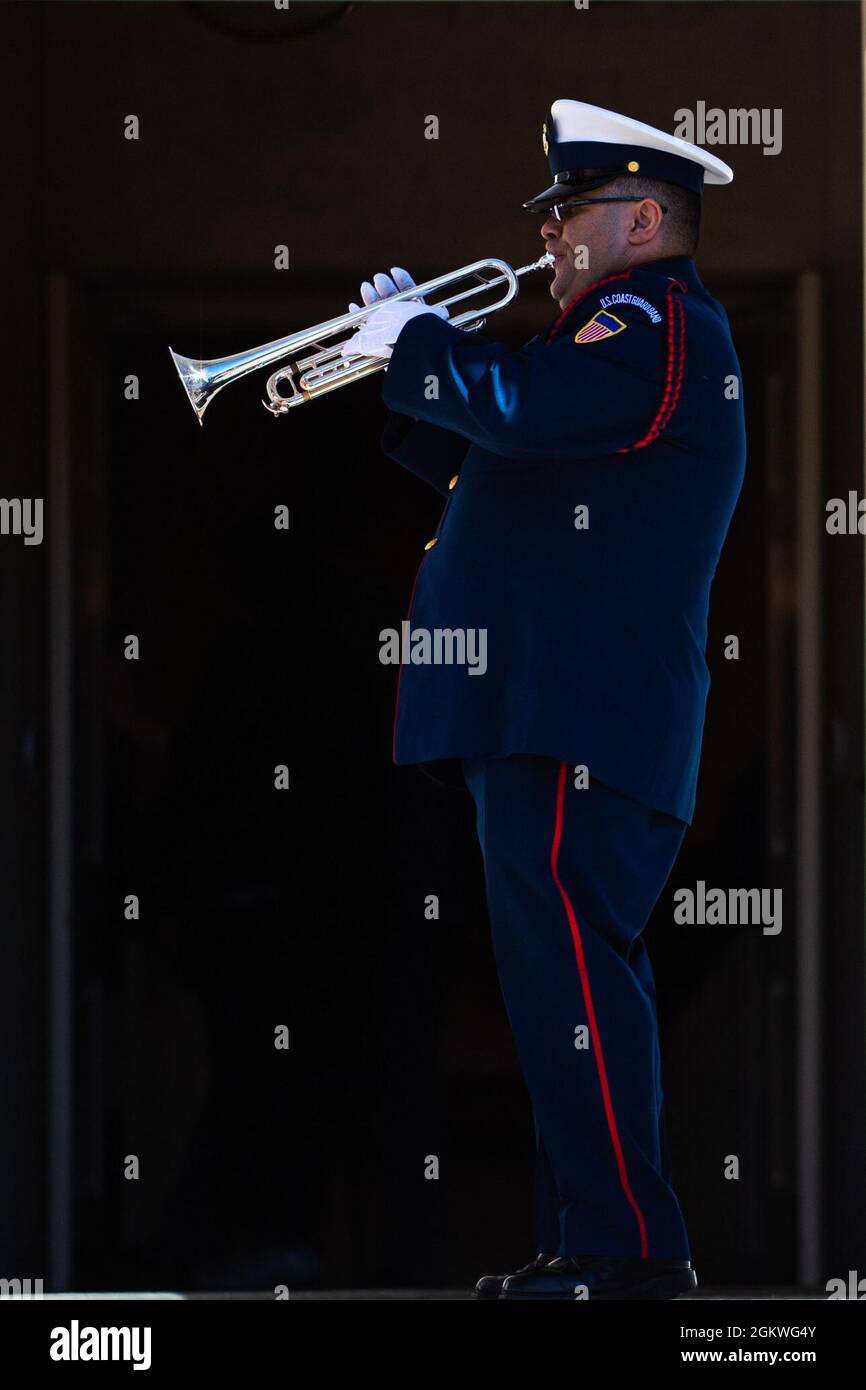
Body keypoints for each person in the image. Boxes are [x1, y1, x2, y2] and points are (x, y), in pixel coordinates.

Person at [344, 99, 746, 1300]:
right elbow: (504, 451)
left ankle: (626, 1249)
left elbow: (526, 413)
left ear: (639, 217)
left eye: (570, 211)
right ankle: (588, 1244)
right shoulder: (626, 337)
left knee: (573, 978)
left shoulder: (652, 318)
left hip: (573, 717)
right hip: (549, 717)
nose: (553, 235)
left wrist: (421, 349)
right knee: (554, 988)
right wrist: (401, 365)